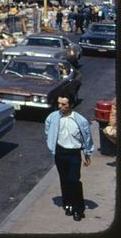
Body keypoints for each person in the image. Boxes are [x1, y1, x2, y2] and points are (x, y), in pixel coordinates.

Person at [44, 93, 94, 221]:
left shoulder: (80, 120)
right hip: (60, 152)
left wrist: (87, 154)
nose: (60, 106)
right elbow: (48, 129)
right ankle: (68, 204)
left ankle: (78, 209)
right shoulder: (53, 117)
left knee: (74, 180)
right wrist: (51, 143)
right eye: (59, 103)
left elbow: (87, 138)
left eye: (63, 104)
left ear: (71, 105)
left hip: (74, 154)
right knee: (64, 180)